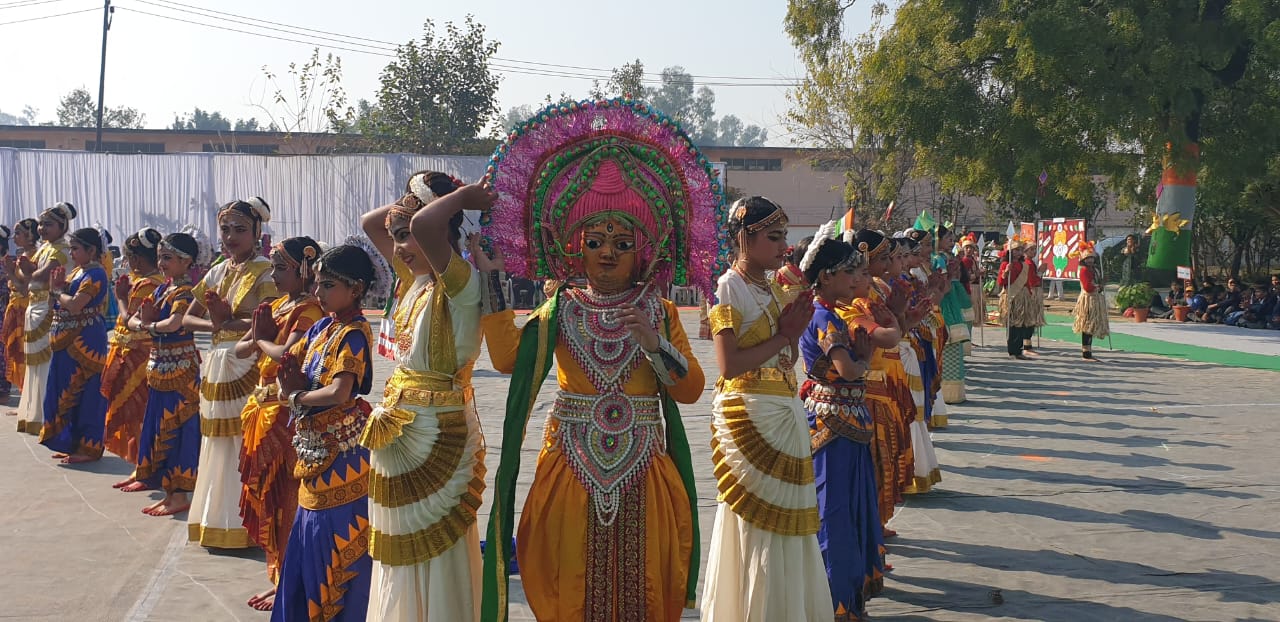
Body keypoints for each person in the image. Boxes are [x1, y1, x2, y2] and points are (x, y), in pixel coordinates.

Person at [481, 102, 715, 621]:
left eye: (622, 242)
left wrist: (655, 345)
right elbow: (507, 360)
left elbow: (692, 390)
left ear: (643, 252)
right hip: (571, 460)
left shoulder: (660, 310)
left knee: (646, 579)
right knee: (568, 575)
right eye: (595, 241)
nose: (607, 252)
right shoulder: (562, 306)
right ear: (576, 248)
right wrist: (493, 284)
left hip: (642, 463)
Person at [357, 171, 489, 622]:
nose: (400, 247)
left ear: (445, 231)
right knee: (399, 547)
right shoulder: (413, 280)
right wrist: (416, 194)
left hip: (441, 434)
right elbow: (370, 222)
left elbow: (425, 228)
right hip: (402, 430)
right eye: (397, 239)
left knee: (438, 544)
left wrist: (458, 198)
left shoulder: (461, 284)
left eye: (407, 236)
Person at [700, 196, 831, 621]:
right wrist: (786, 334)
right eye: (773, 237)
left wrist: (789, 336)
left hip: (784, 410)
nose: (782, 247)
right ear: (745, 238)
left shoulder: (774, 286)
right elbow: (730, 363)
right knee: (758, 520)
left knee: (791, 518)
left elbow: (784, 356)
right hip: (750, 412)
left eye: (784, 238)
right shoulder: (727, 287)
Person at [270, 242, 382, 621]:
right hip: (314, 448)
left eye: (328, 285)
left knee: (335, 537)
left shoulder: (353, 332)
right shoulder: (322, 326)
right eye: (317, 284)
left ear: (356, 289)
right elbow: (288, 356)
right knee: (309, 532)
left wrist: (296, 394)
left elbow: (340, 391)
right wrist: (261, 340)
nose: (319, 293)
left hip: (343, 452)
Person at [797, 223, 884, 621]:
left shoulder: (827, 313)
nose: (856, 281)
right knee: (836, 514)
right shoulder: (823, 318)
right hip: (834, 424)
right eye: (850, 273)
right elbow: (847, 369)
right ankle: (835, 603)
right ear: (827, 277)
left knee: (846, 510)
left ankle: (843, 598)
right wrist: (863, 361)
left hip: (844, 420)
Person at [235, 236, 325, 611]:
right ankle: (277, 574)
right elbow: (242, 348)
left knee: (286, 498)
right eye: (273, 267)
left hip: (286, 414)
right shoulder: (274, 306)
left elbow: (287, 352)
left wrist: (263, 339)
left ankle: (288, 578)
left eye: (281, 268)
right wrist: (259, 338)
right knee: (270, 503)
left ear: (304, 270)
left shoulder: (309, 311)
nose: (274, 275)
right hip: (260, 412)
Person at [184, 198, 278, 549]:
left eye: (240, 229)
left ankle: (248, 526)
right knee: (216, 442)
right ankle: (216, 520)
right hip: (217, 362)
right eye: (226, 229)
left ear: (257, 232)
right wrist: (216, 322)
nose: (231, 236)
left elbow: (270, 325)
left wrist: (227, 322)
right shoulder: (218, 270)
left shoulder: (266, 271)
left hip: (248, 361)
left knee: (244, 442)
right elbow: (187, 318)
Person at [128, 230, 204, 516]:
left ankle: (181, 493)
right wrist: (146, 324)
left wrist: (147, 326)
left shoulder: (185, 292)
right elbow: (133, 319)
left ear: (187, 262)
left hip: (181, 372)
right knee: (159, 426)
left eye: (168, 258)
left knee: (180, 430)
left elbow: (175, 323)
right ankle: (169, 490)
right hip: (160, 367)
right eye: (160, 257)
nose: (161, 263)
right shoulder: (163, 289)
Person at [38, 227, 111, 464]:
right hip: (66, 341)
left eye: (76, 248)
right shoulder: (78, 272)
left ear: (91, 250)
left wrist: (58, 291)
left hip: (85, 342)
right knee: (63, 392)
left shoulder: (97, 274)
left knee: (86, 393)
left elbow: (76, 305)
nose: (71, 253)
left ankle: (88, 448)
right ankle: (71, 443)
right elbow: (56, 302)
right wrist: (54, 289)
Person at [102, 229, 166, 478]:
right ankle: (142, 466)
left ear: (137, 259)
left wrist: (120, 298)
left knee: (136, 415)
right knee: (139, 414)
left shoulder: (145, 285)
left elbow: (129, 320)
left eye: (129, 258)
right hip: (142, 355)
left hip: (136, 359)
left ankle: (143, 468)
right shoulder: (156, 282)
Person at [12, 203, 73, 434]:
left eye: (48, 224)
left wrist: (26, 269)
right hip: (34, 307)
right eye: (41, 224)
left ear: (62, 226)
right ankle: (32, 414)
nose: (42, 228)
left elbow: (39, 275)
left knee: (46, 363)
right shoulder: (44, 249)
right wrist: (15, 271)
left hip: (50, 308)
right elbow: (26, 283)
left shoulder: (62, 250)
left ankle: (46, 416)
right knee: (34, 364)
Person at [932, 225, 971, 404]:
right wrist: (951, 274)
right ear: (937, 240)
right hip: (946, 304)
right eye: (948, 238)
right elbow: (944, 286)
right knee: (949, 345)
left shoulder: (942, 257)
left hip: (949, 301)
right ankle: (949, 393)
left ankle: (950, 392)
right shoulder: (938, 259)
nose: (951, 242)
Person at [2, 219, 39, 401]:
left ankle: (28, 398)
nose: (14, 237)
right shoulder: (23, 254)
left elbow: (25, 289)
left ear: (30, 235)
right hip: (16, 309)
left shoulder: (32, 256)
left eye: (18, 233)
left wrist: (9, 272)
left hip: (25, 310)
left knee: (24, 354)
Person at [998, 237, 1038, 360]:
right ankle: (1012, 350)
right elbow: (1001, 281)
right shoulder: (1005, 264)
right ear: (1010, 251)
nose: (1018, 252)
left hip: (1023, 297)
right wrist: (1005, 272)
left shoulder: (1024, 265)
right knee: (1013, 325)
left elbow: (1027, 282)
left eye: (1020, 250)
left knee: (1021, 324)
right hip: (1012, 296)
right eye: (1015, 250)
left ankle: (1019, 350)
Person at [1071, 242, 1109, 361]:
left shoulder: (1095, 270)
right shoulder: (1083, 270)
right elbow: (1088, 287)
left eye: (1092, 258)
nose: (1090, 260)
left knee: (1091, 326)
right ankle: (1086, 353)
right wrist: (1098, 286)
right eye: (1087, 258)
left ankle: (1089, 351)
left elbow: (1097, 285)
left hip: (1095, 298)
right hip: (1088, 299)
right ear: (1083, 259)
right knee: (1087, 325)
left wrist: (1102, 283)